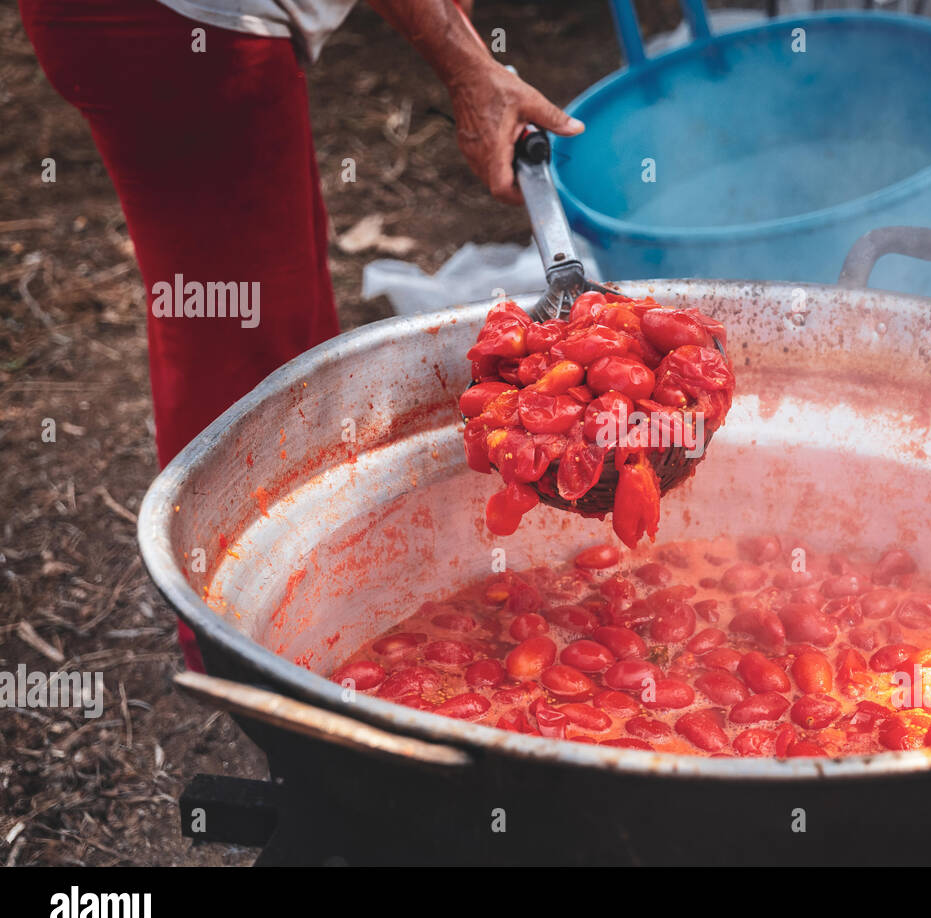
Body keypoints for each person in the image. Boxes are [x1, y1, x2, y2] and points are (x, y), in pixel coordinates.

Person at [20, 0, 583, 670]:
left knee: (283, 317)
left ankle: (305, 611)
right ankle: (231, 646)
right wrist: (468, 70)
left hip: (187, 27)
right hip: (179, 28)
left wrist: (472, 57)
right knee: (238, 338)